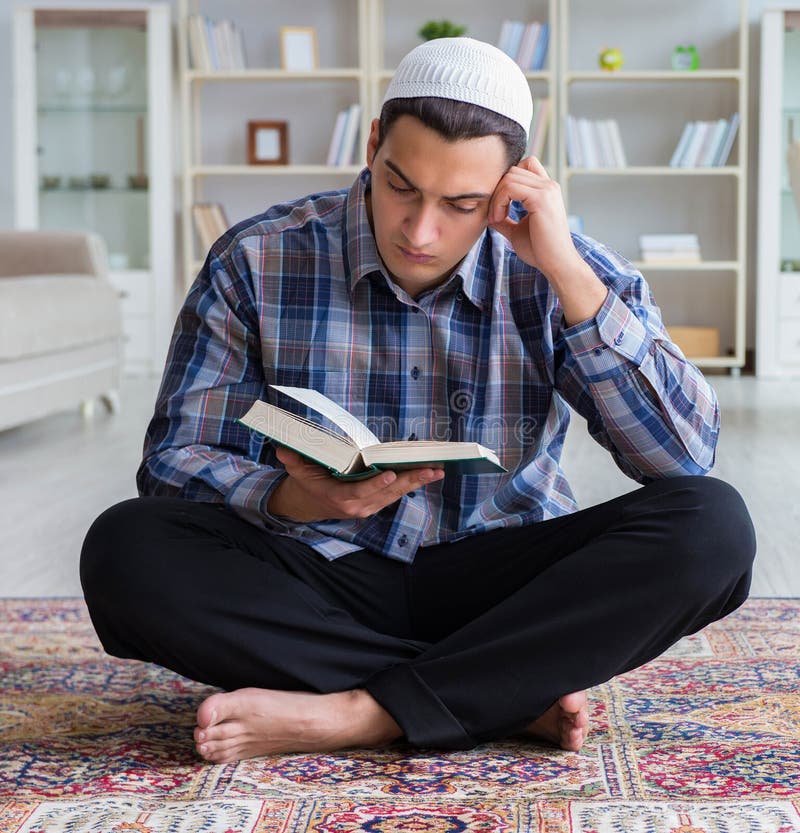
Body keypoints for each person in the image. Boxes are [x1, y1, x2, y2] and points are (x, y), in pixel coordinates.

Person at [80, 38, 755, 765]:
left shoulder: (562, 268)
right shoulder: (256, 258)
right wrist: (295, 500)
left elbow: (684, 457)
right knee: (123, 548)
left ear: (511, 188)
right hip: (321, 570)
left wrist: (566, 272)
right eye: (401, 186)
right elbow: (174, 462)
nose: (420, 230)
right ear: (372, 145)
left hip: (501, 579)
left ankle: (355, 712)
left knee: (713, 527)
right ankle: (495, 686)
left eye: (462, 204)